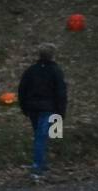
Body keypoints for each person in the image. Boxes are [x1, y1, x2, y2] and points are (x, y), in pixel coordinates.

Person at [17, 43, 68, 178]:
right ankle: (37, 166)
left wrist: (24, 107)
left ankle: (41, 163)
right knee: (41, 136)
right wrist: (61, 112)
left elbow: (22, 89)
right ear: (52, 56)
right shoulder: (56, 71)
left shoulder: (31, 70)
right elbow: (61, 93)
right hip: (48, 109)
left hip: (33, 108)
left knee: (39, 135)